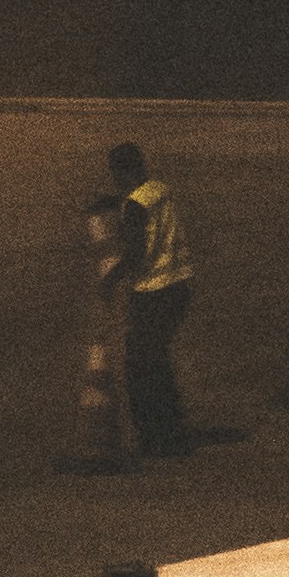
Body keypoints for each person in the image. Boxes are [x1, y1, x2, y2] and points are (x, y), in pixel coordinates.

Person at [106, 140, 197, 455]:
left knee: (139, 367)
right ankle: (172, 428)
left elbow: (134, 254)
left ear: (122, 172)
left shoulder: (134, 206)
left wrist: (110, 279)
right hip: (179, 286)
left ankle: (154, 435)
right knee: (156, 360)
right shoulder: (160, 190)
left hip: (154, 293)